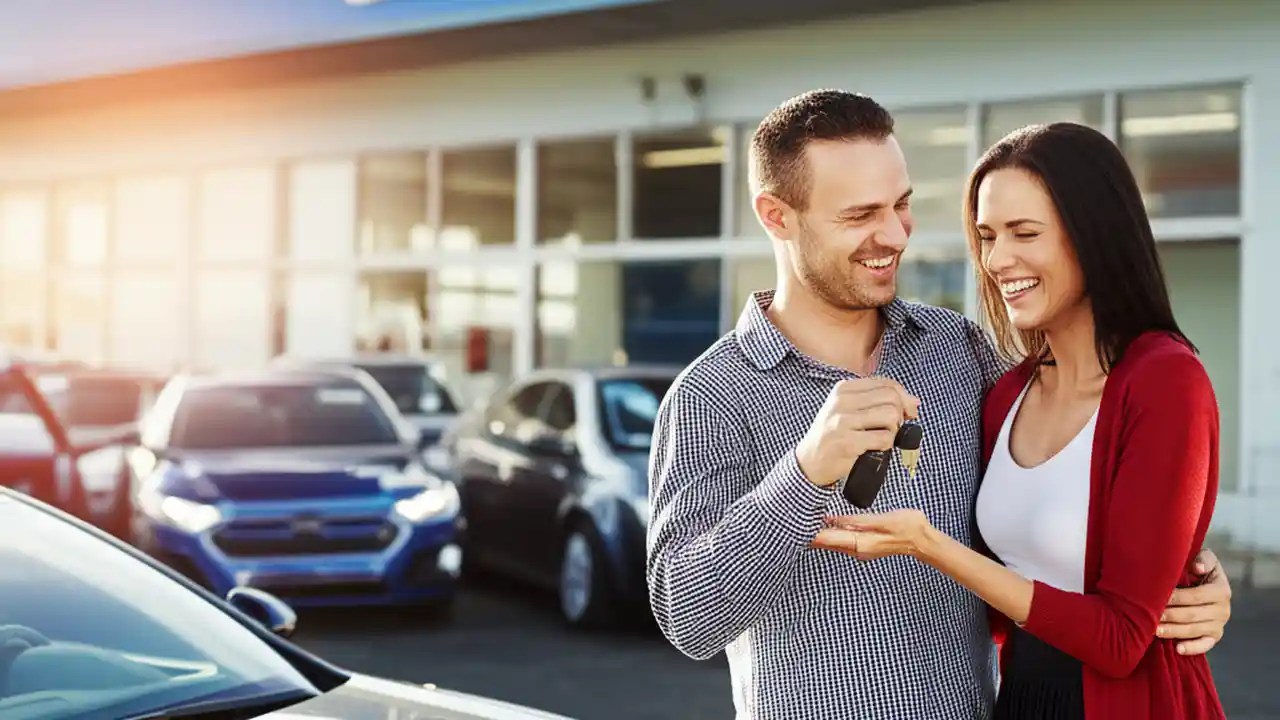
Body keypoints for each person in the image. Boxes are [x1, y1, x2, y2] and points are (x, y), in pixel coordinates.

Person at [645, 91, 1233, 720]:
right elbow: (690, 618)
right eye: (861, 215)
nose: (894, 235)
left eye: (902, 206)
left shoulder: (958, 351)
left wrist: (1183, 577)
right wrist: (806, 471)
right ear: (777, 216)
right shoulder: (711, 395)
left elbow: (1059, 504)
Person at [816, 121, 1227, 718]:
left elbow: (1118, 641)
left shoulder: (1165, 380)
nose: (998, 259)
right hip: (1022, 697)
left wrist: (927, 545)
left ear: (1094, 236)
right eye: (986, 235)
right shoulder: (1007, 389)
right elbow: (1006, 598)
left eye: (1024, 233)